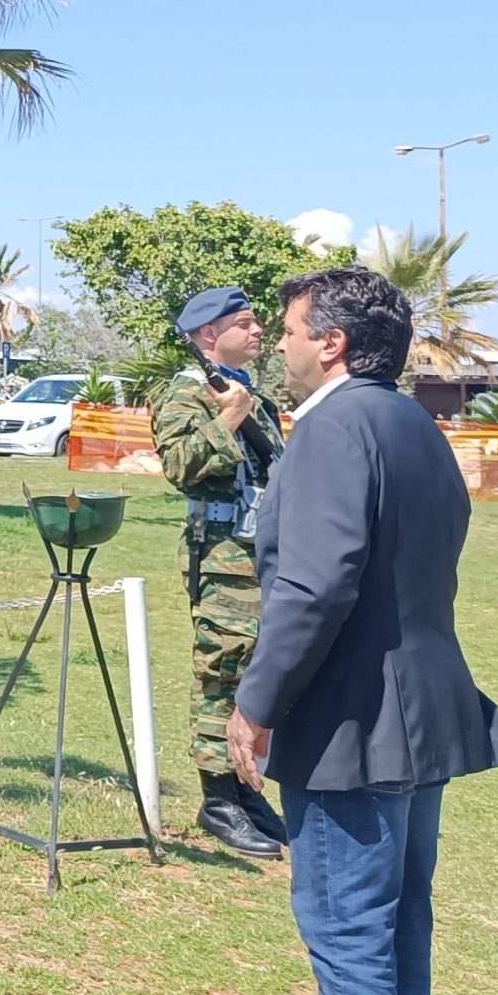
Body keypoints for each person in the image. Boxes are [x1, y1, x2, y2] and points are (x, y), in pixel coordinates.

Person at [226, 266, 498, 995]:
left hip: (354, 721)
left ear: (333, 344)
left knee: (349, 931)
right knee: (396, 926)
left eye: (288, 330)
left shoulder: (331, 425)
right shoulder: (414, 426)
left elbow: (315, 587)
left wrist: (257, 702)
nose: (277, 344)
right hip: (420, 712)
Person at [149, 285, 291, 859]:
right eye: (246, 322)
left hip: (266, 555)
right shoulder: (188, 392)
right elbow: (180, 467)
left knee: (261, 671)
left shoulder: (254, 392)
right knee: (224, 669)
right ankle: (217, 797)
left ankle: (246, 786)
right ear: (210, 334)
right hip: (224, 560)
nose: (259, 332)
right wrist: (228, 419)